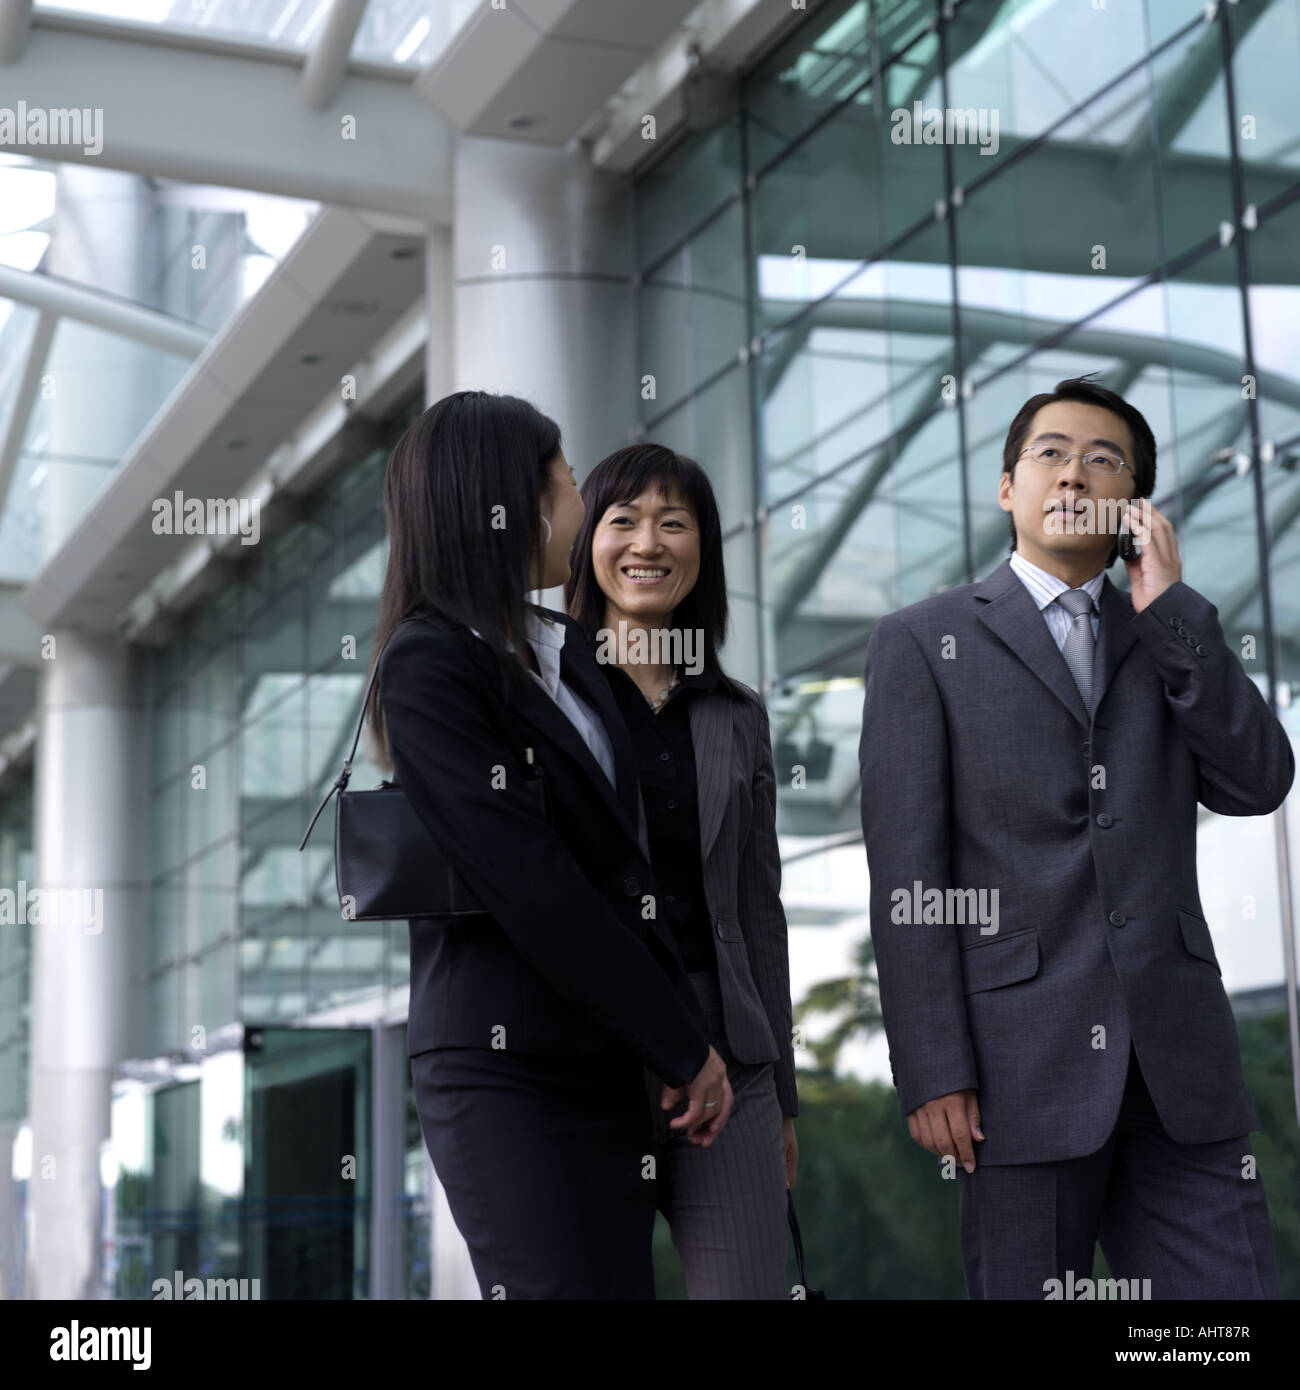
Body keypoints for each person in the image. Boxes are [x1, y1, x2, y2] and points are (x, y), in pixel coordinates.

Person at [858, 373, 1293, 1299]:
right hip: (1016, 1070)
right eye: (1050, 454)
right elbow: (908, 875)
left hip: (1181, 1070)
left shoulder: (1166, 636)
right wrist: (932, 1066)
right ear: (1007, 488)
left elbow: (1259, 782)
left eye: (1105, 463)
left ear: (1133, 507)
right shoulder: (922, 641)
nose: (1074, 476)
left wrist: (1174, 611)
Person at [369, 392, 733, 1300]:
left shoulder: (565, 648)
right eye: (569, 484)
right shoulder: (429, 663)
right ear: (513, 504)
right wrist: (681, 1040)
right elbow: (531, 881)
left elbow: (622, 859)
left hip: (607, 1062)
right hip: (506, 1069)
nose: (579, 506)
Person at [564, 443, 798, 1300]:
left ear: (702, 548)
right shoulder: (548, 694)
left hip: (727, 1047)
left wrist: (787, 1095)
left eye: (674, 521)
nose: (647, 542)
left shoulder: (736, 715)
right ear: (587, 540)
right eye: (622, 519)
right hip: (585, 1038)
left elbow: (759, 910)